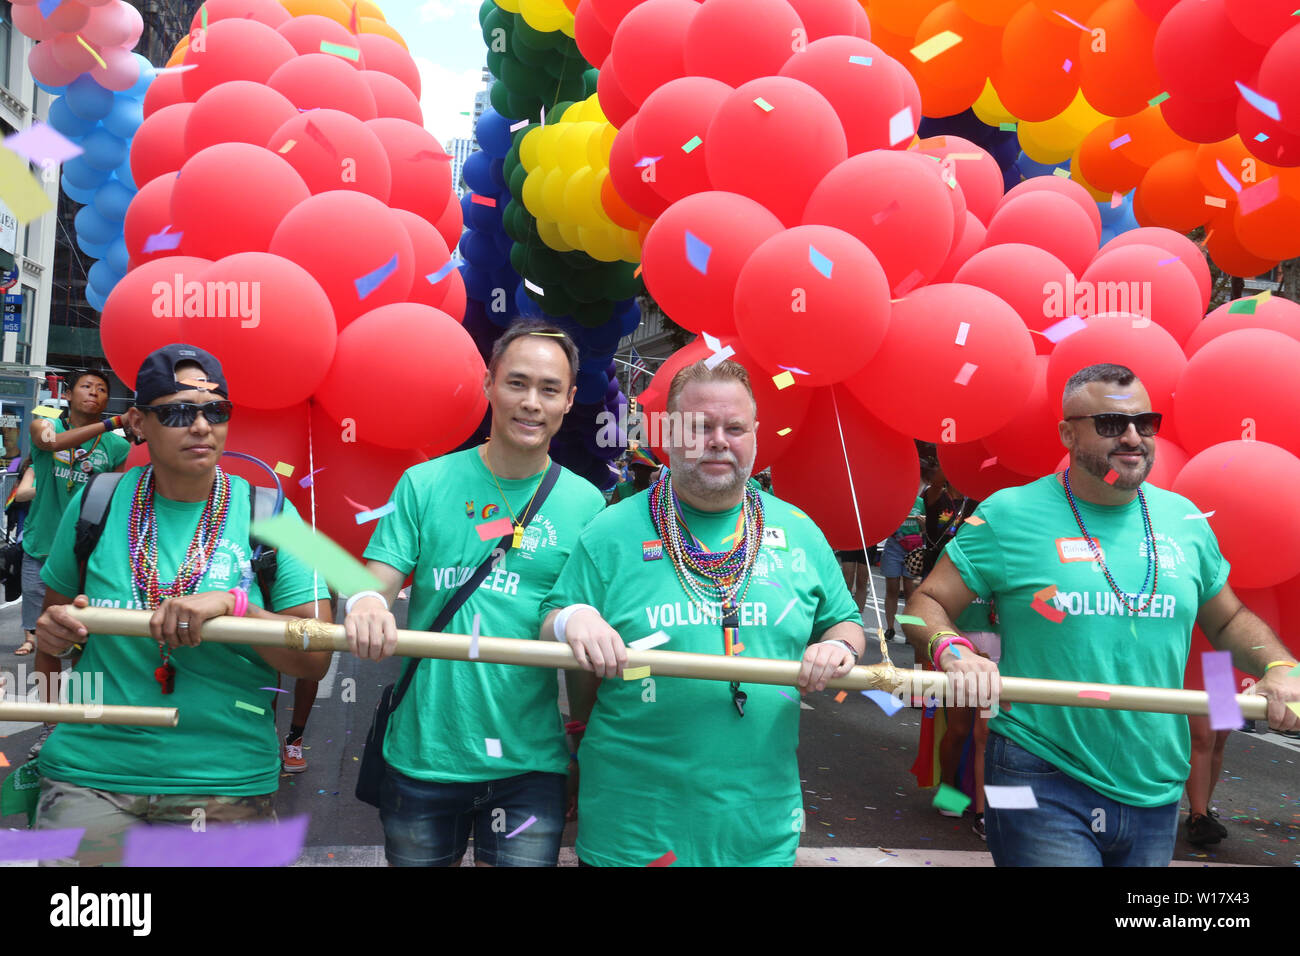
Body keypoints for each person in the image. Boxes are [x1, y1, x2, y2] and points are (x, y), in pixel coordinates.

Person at [903, 363, 1300, 866]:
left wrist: (1280, 666)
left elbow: (1227, 619)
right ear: (1069, 433)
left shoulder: (1185, 520)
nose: (1133, 437)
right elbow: (924, 605)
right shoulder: (1009, 513)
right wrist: (953, 650)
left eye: (1145, 422)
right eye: (1112, 424)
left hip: (1155, 784)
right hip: (1034, 771)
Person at [539, 359, 865, 867]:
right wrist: (572, 618)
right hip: (632, 831)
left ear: (754, 435)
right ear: (669, 434)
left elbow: (844, 620)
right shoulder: (611, 530)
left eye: (733, 428)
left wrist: (840, 645)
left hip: (757, 830)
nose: (718, 441)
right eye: (699, 427)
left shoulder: (799, 529)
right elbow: (553, 616)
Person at [32, 344, 332, 865]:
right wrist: (55, 643)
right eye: (176, 412)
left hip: (223, 779)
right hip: (91, 776)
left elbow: (317, 656)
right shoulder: (95, 501)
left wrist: (238, 609)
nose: (200, 426)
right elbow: (51, 634)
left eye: (215, 411)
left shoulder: (276, 514)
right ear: (139, 424)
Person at [345, 321, 606, 868]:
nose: (531, 403)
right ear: (489, 385)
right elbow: (378, 580)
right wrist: (366, 602)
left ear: (569, 401)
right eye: (516, 383)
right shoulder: (425, 483)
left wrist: (580, 739)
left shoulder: (587, 507)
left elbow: (584, 642)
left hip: (529, 766)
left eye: (549, 389)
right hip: (421, 758)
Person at [23, 371, 130, 752]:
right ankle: (50, 726)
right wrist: (114, 422)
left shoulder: (115, 448)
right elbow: (51, 444)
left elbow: (115, 498)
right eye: (87, 386)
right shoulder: (44, 424)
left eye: (103, 390)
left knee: (84, 644)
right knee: (49, 643)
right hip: (42, 550)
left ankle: (79, 724)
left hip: (87, 559)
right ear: (67, 394)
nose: (96, 393)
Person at [880, 468, 927, 643]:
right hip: (893, 547)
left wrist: (923, 526)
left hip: (913, 550)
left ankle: (909, 631)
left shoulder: (921, 503)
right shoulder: (893, 501)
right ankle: (890, 628)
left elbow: (926, 530)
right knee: (891, 589)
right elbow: (884, 524)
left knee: (910, 592)